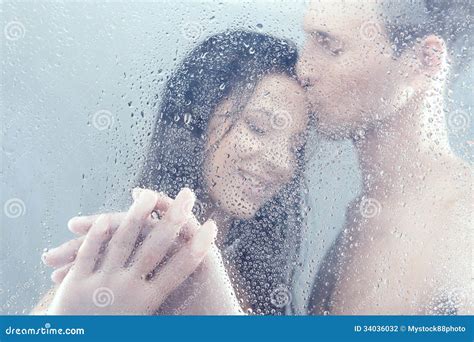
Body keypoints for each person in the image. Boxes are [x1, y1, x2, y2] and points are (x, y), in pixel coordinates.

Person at [34, 30, 310, 315]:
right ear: (197, 123)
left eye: (296, 147)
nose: (283, 164)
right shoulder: (127, 265)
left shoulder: (253, 278)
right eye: (258, 127)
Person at [295, 0, 472, 314]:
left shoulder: (462, 230)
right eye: (308, 42)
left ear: (425, 59)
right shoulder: (363, 215)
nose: (303, 70)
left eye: (331, 48)